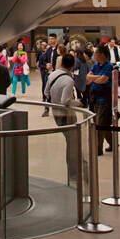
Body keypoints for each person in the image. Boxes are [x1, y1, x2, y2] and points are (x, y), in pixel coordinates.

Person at [46, 52, 79, 185]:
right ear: (72, 65)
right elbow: (65, 100)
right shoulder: (69, 80)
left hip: (56, 113)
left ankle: (73, 171)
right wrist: (78, 103)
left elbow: (46, 92)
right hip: (66, 115)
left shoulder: (52, 75)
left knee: (70, 142)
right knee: (73, 144)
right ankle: (73, 173)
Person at [85, 45, 114, 157]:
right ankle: (113, 143)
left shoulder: (109, 66)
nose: (95, 55)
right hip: (94, 98)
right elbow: (88, 78)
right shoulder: (96, 65)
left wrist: (94, 78)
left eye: (96, 53)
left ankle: (98, 149)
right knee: (102, 123)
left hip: (104, 99)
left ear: (102, 54)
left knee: (100, 124)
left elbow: (103, 80)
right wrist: (97, 78)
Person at [39, 34, 59, 117]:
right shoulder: (49, 50)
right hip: (48, 73)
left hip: (57, 73)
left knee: (56, 91)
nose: (51, 40)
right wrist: (46, 65)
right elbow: (44, 61)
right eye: (50, 39)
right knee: (46, 90)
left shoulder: (59, 49)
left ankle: (57, 109)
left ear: (56, 39)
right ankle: (46, 109)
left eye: (52, 39)